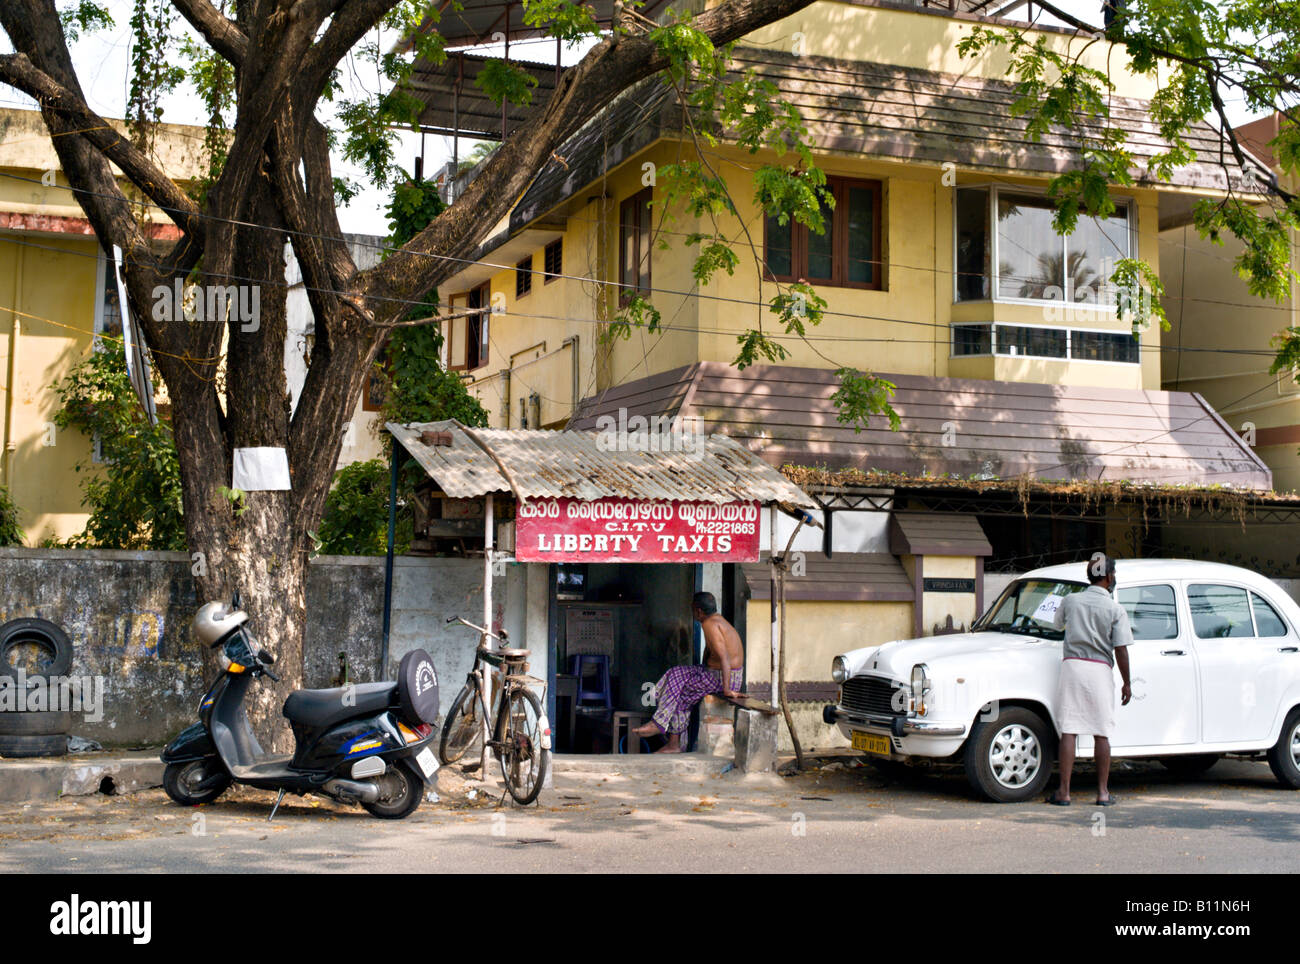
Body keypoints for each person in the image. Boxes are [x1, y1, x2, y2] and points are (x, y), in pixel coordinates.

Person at [1046, 552, 1133, 806]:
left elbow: (1055, 625)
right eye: (1113, 574)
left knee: (1069, 730)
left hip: (1072, 666)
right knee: (1101, 732)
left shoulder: (1071, 600)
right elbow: (1121, 649)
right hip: (1099, 669)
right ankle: (1103, 793)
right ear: (1108, 577)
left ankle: (1064, 792)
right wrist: (1127, 682)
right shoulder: (1116, 609)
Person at [633, 591, 744, 753]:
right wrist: (701, 667)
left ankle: (663, 729)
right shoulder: (716, 620)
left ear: (698, 610)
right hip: (714, 673)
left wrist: (727, 690)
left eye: (693, 610)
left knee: (679, 691)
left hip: (722, 678)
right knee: (675, 673)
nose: (692, 613)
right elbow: (711, 651)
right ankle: (669, 737)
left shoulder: (710, 624)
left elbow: (724, 658)